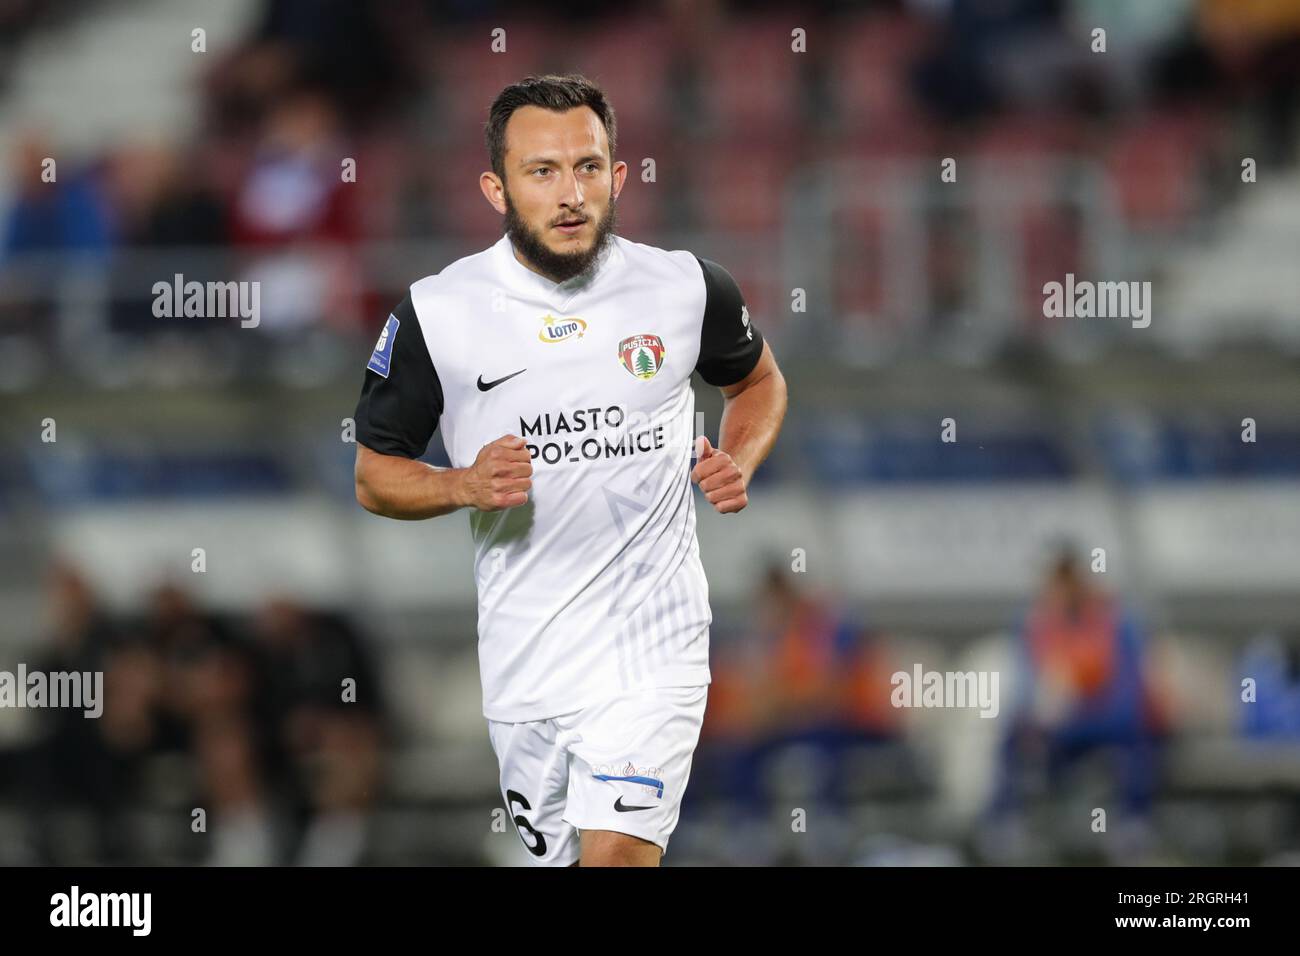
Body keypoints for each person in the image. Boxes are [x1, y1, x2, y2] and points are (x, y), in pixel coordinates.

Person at [351, 74, 787, 866]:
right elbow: (374, 473)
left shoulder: (685, 287)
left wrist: (738, 456)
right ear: (497, 187)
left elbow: (756, 380)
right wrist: (461, 485)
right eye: (541, 171)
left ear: (618, 176)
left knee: (618, 856)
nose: (570, 193)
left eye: (588, 166)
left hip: (653, 650)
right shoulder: (436, 314)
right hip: (526, 662)